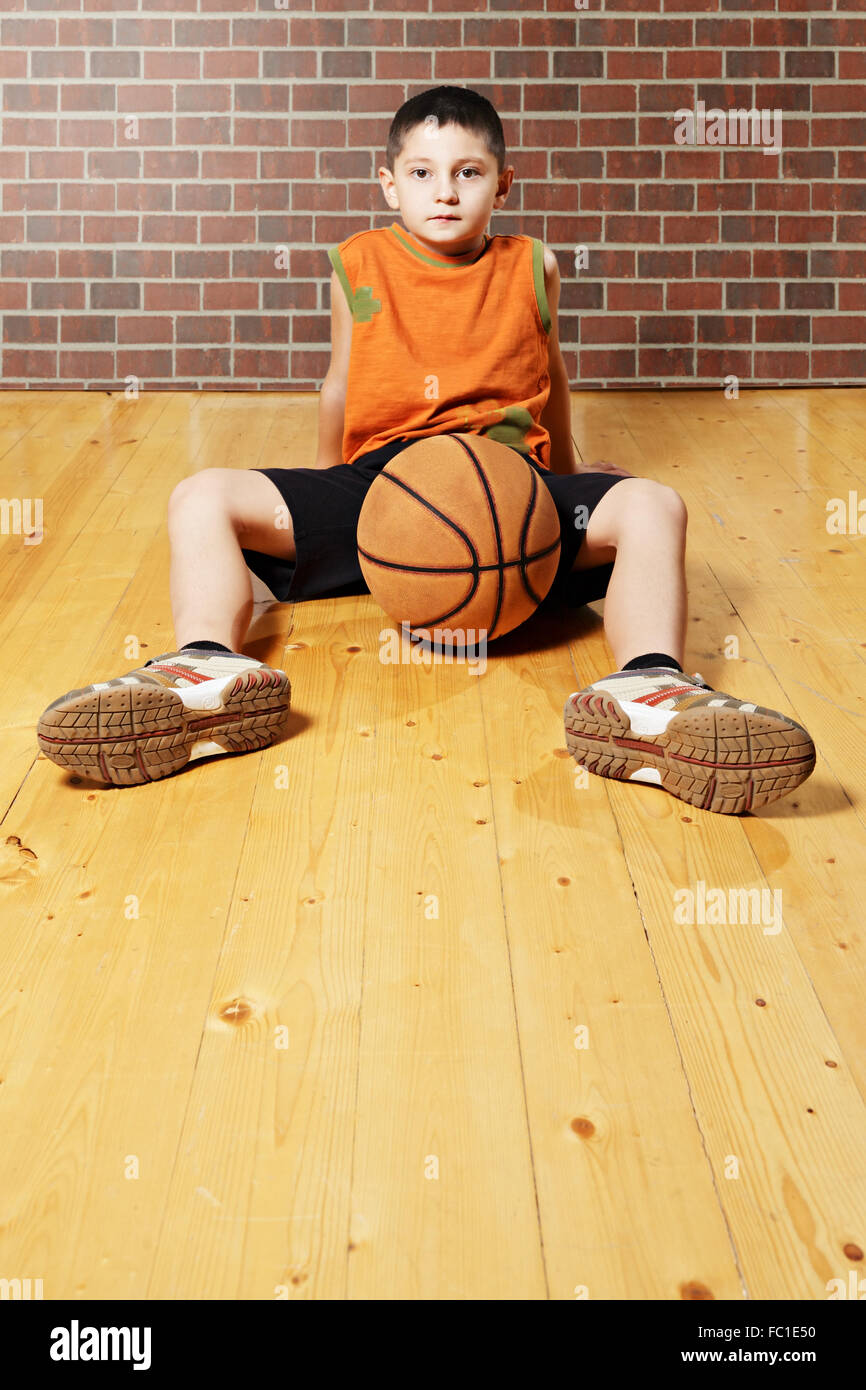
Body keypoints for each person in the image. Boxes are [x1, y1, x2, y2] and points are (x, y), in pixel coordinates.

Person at [37, 85, 815, 814]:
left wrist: (572, 473)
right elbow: (339, 384)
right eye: (423, 172)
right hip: (387, 489)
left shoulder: (533, 266)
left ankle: (652, 690)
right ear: (389, 184)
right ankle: (203, 668)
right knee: (200, 494)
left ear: (502, 185)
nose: (445, 191)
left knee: (654, 502)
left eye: (467, 173)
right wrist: (319, 488)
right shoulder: (358, 264)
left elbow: (552, 377)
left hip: (513, 493)